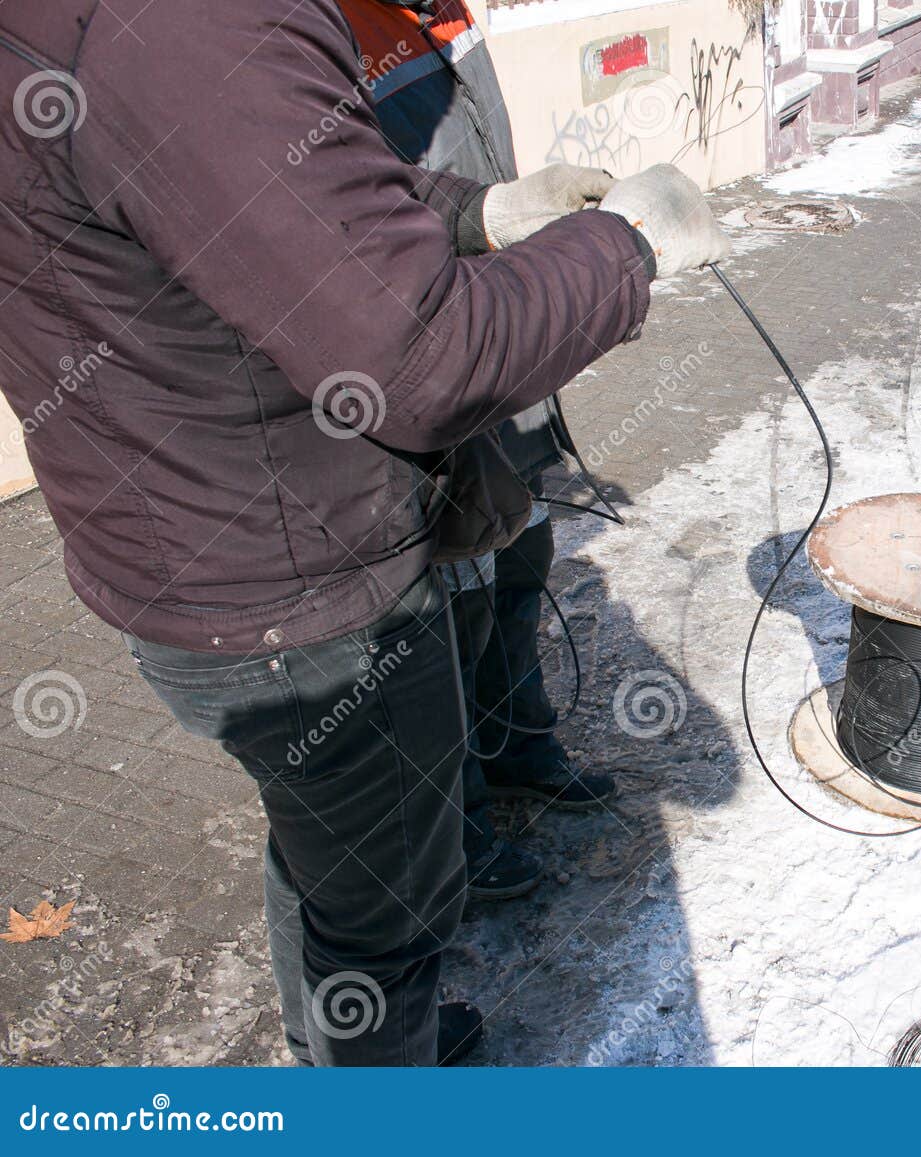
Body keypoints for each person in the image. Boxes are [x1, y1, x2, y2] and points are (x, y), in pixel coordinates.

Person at [0, 0, 729, 1066]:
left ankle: (359, 1035)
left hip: (191, 552)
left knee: (330, 865)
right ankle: (378, 1059)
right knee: (389, 913)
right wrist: (623, 249)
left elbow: (275, 209)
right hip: (295, 586)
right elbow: (420, 364)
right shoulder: (179, 28)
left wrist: (483, 214)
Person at [338, 0, 618, 905]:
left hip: (505, 338)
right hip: (423, 355)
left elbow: (478, 161)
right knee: (448, 600)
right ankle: (457, 823)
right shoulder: (328, 24)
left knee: (524, 554)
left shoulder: (448, 18)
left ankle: (517, 743)